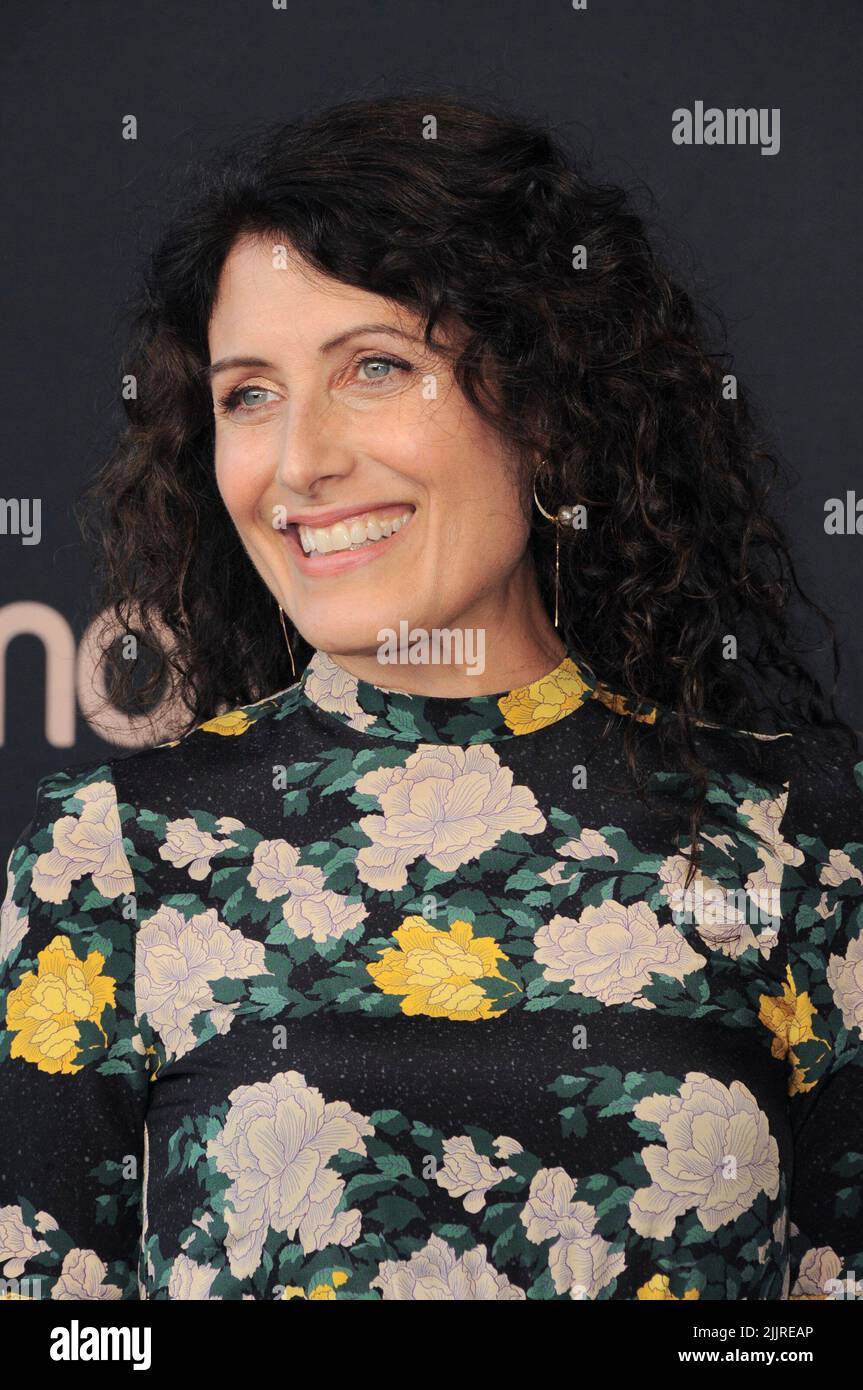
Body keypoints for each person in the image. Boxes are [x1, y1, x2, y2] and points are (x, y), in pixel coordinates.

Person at [1, 93, 861, 1303]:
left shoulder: (797, 834)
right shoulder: (108, 854)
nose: (300, 461)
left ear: (548, 409)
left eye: (373, 366)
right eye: (248, 393)